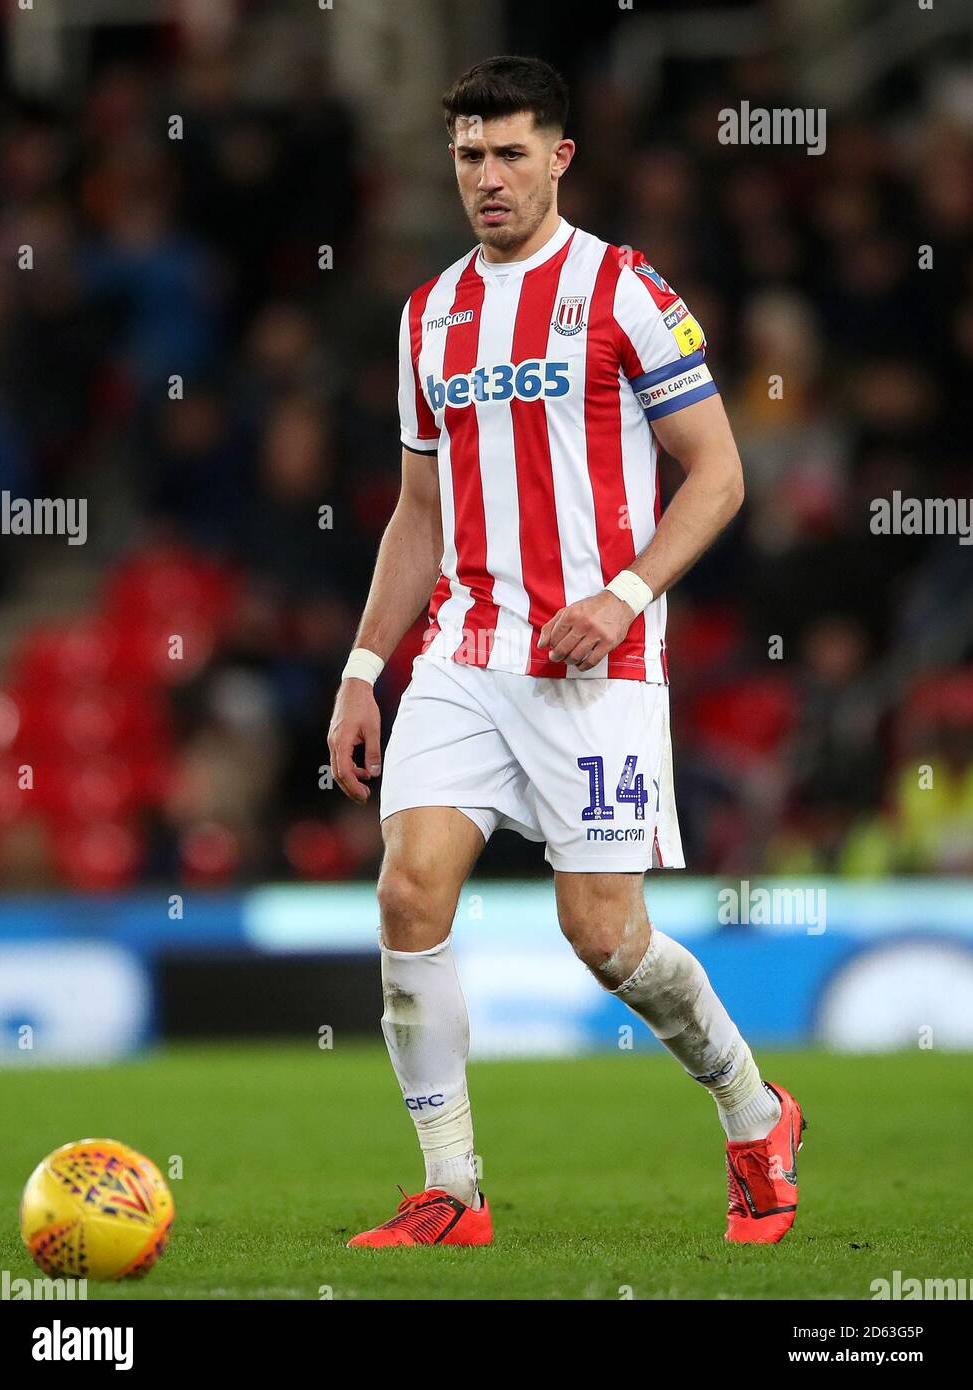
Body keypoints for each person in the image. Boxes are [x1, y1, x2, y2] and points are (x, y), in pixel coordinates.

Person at [327, 55, 805, 1249]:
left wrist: (626, 590)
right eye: (466, 157)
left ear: (559, 157)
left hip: (595, 668)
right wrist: (361, 668)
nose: (485, 178)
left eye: (507, 153)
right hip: (465, 648)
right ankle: (452, 1189)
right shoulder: (428, 314)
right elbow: (419, 513)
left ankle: (754, 1109)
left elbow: (721, 472)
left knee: (604, 936)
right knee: (408, 885)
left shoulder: (624, 290)